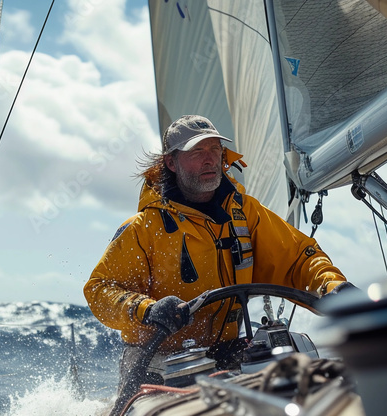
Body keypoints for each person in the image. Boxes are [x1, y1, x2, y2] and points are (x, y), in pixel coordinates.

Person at [83, 115, 350, 397]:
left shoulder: (245, 214)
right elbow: (100, 289)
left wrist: (332, 287)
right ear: (171, 163)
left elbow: (298, 258)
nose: (210, 159)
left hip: (227, 352)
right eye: (197, 152)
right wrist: (147, 310)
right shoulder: (143, 229)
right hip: (158, 361)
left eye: (214, 150)